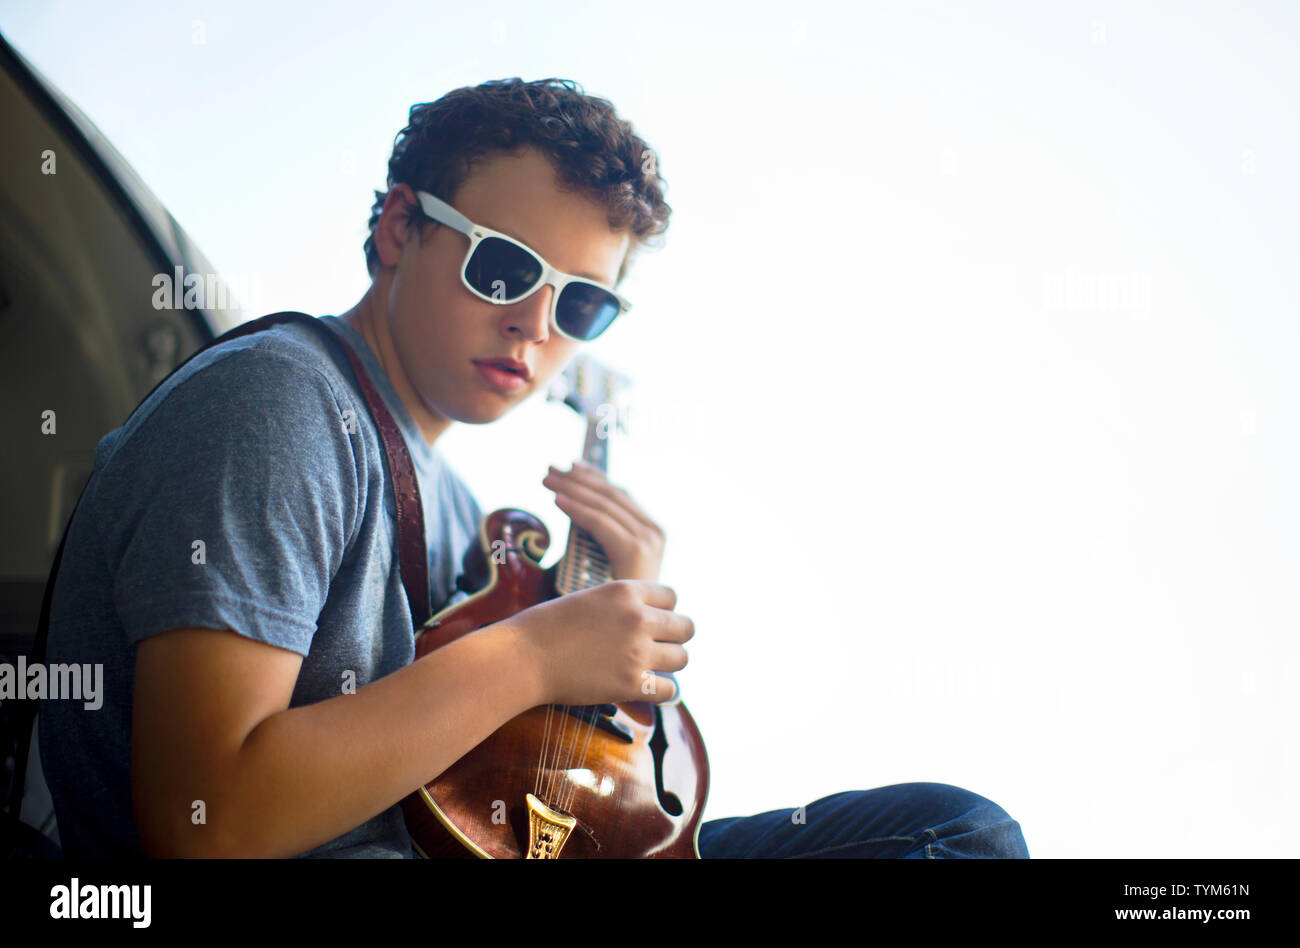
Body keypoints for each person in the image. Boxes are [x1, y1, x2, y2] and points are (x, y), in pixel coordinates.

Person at [38, 77, 1027, 859]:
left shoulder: (462, 509)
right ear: (398, 229)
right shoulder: (279, 403)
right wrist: (537, 651)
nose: (537, 325)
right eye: (503, 267)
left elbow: (562, 802)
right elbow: (206, 818)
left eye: (584, 305)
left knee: (952, 832)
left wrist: (613, 648)